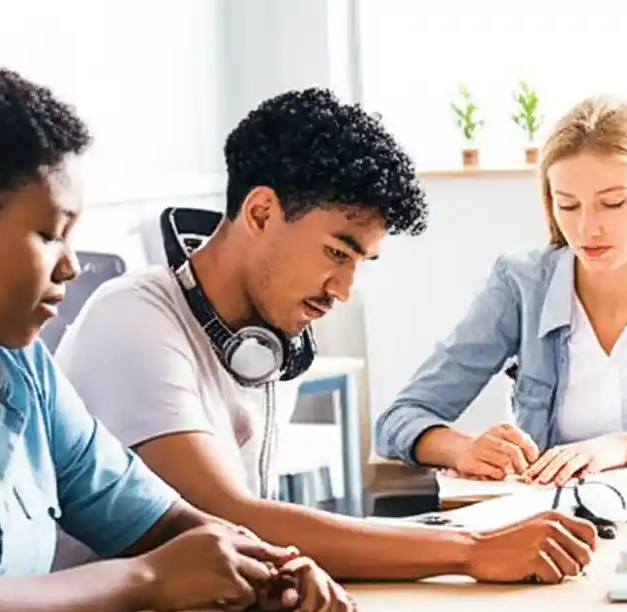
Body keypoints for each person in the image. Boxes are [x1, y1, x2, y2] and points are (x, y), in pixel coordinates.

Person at [0, 65, 353, 612]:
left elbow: (153, 518)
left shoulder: (21, 370)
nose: (72, 266)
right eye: (50, 234)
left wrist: (271, 566)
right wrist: (147, 581)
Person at [57, 88, 597, 585]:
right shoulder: (132, 319)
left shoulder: (265, 340)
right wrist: (469, 550)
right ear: (261, 212)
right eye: (337, 253)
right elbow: (224, 519)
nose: (343, 289)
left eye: (360, 261)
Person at [374, 96, 627, 487]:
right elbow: (397, 420)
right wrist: (463, 449)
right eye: (568, 205)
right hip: (555, 520)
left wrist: (622, 446)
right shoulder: (520, 281)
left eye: (613, 204)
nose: (587, 229)